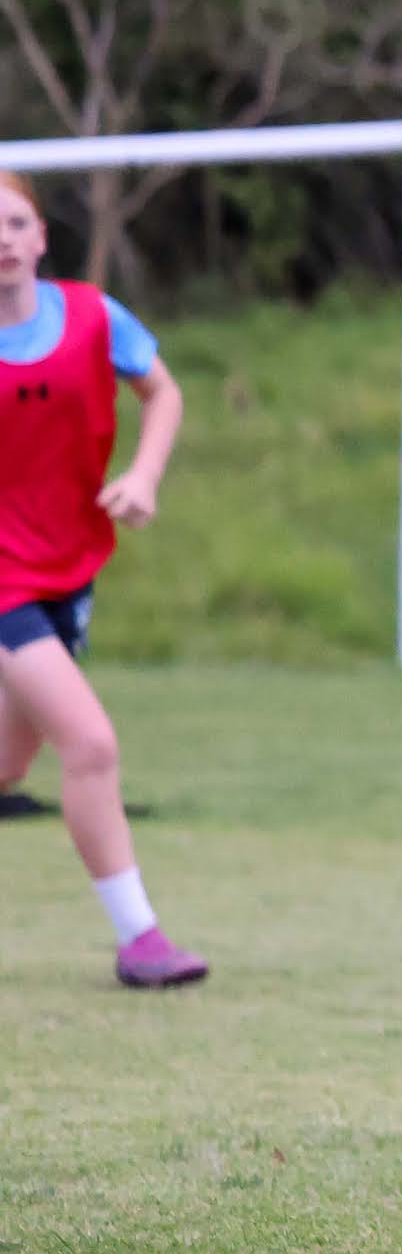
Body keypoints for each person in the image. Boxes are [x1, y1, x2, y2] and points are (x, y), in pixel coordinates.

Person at [0, 170, 206, 987]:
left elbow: (162, 391)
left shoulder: (93, 315)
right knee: (89, 744)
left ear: (41, 236)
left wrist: (144, 475)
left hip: (67, 569)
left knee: (8, 765)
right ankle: (140, 940)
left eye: (16, 223)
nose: (2, 240)